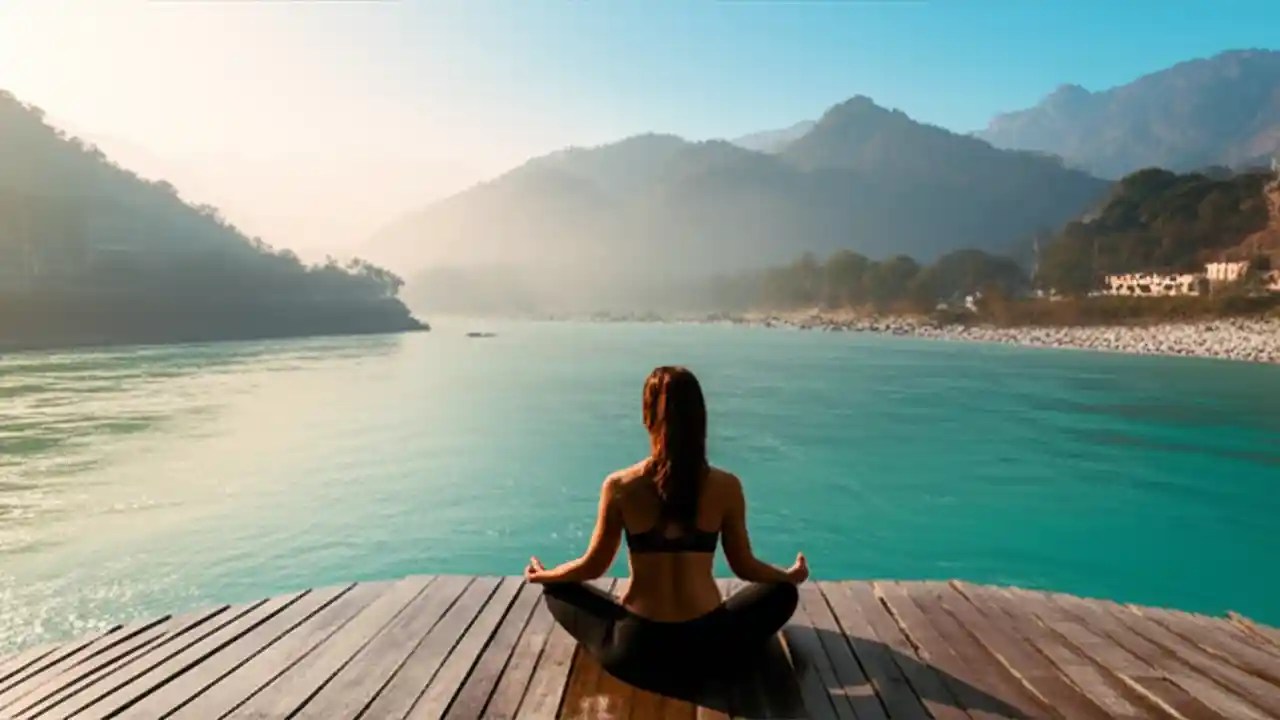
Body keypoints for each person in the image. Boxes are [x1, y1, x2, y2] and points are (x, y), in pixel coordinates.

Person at [523, 365, 808, 689]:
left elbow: (593, 566)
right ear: (701, 420)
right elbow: (744, 566)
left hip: (635, 651)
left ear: (647, 418)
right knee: (782, 593)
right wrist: (788, 576)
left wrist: (544, 576)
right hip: (709, 650)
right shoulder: (726, 486)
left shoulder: (620, 486)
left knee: (559, 589)